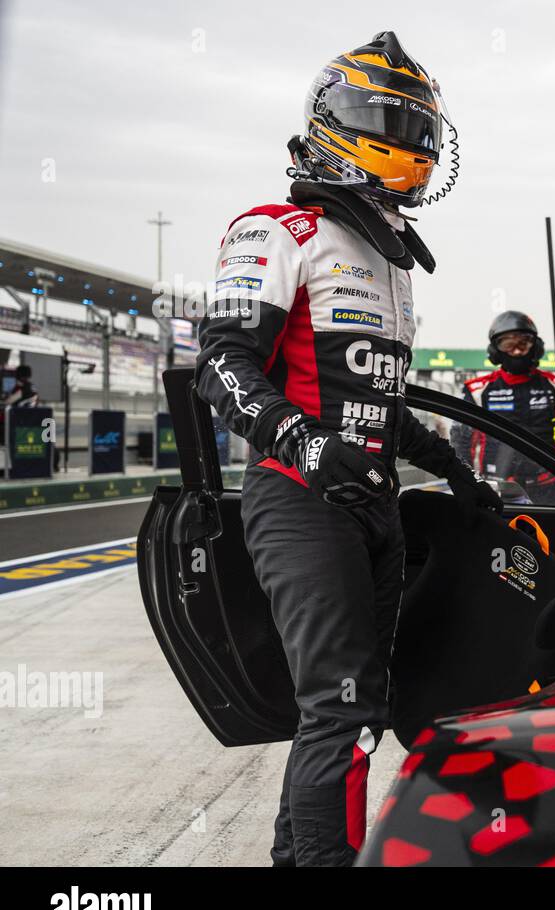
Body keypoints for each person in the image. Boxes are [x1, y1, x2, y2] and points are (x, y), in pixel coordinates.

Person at [195, 31, 500, 867]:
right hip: (298, 499)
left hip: (372, 504)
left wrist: (452, 471)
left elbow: (383, 405)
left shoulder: (391, 265)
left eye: (416, 129)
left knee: (356, 711)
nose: (408, 146)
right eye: (387, 124)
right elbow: (219, 367)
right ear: (335, 123)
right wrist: (305, 444)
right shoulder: (278, 230)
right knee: (341, 706)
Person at [453, 311, 555, 504]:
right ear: (495, 350)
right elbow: (460, 441)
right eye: (508, 344)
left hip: (547, 486)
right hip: (495, 487)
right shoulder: (477, 391)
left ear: (535, 347)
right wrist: (467, 482)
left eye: (523, 343)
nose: (517, 351)